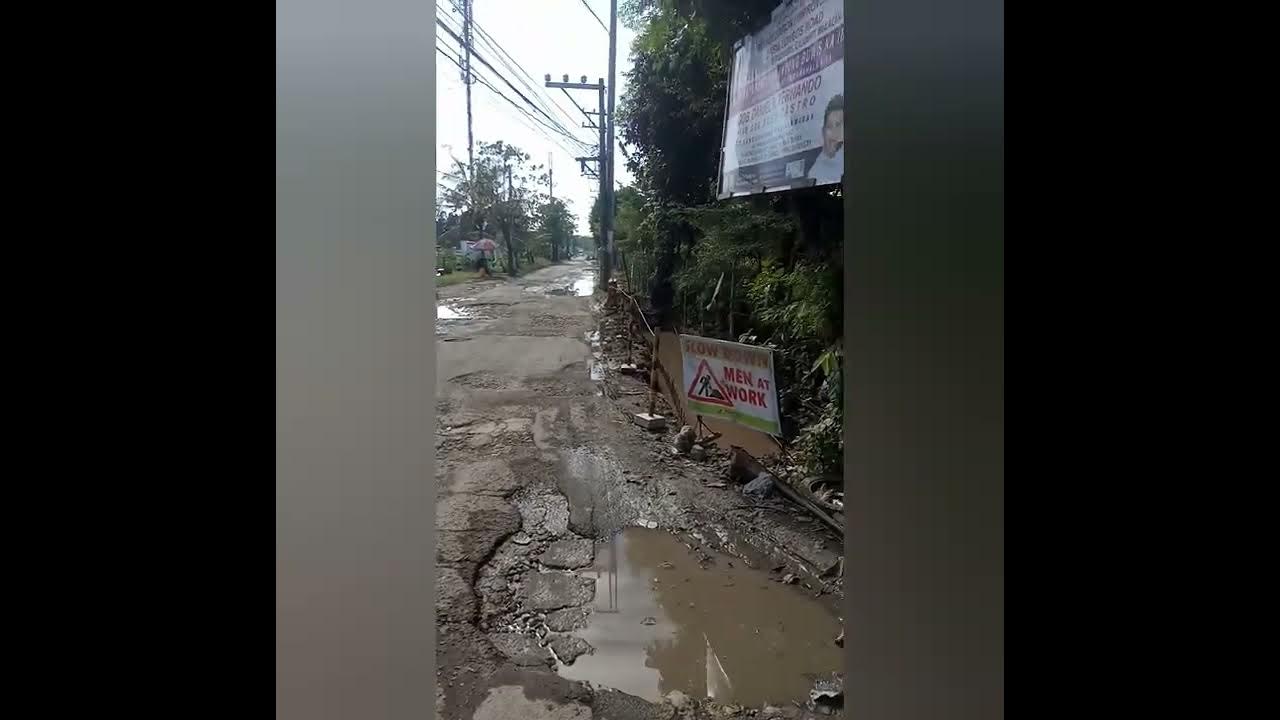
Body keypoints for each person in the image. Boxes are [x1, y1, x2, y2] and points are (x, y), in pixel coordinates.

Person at [807, 94, 844, 184]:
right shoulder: (815, 173)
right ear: (823, 131)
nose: (834, 132)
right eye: (829, 126)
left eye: (838, 125)